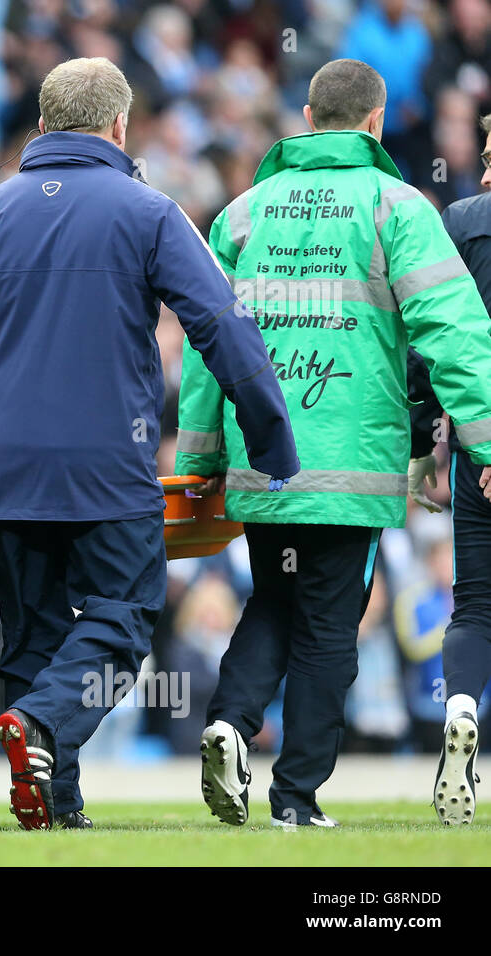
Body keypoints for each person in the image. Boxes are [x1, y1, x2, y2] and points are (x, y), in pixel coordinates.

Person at [0, 57, 298, 831]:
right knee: (124, 619)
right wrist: (268, 435)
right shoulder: (148, 211)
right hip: (106, 462)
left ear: (44, 121)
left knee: (33, 641)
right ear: (120, 126)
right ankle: (40, 732)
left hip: (9, 467)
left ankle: (55, 807)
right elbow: (221, 326)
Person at [178, 59, 491, 829]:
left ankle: (229, 718)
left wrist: (197, 458)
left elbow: (204, 346)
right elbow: (453, 336)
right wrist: (484, 439)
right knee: (329, 624)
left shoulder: (243, 214)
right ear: (378, 120)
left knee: (273, 602)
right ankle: (295, 798)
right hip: (350, 463)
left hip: (264, 458)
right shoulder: (398, 207)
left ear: (309, 114)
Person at [407, 110, 491, 823]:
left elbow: (428, 339)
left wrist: (422, 441)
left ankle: (460, 708)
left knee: (477, 606)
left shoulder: (460, 221)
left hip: (479, 445)